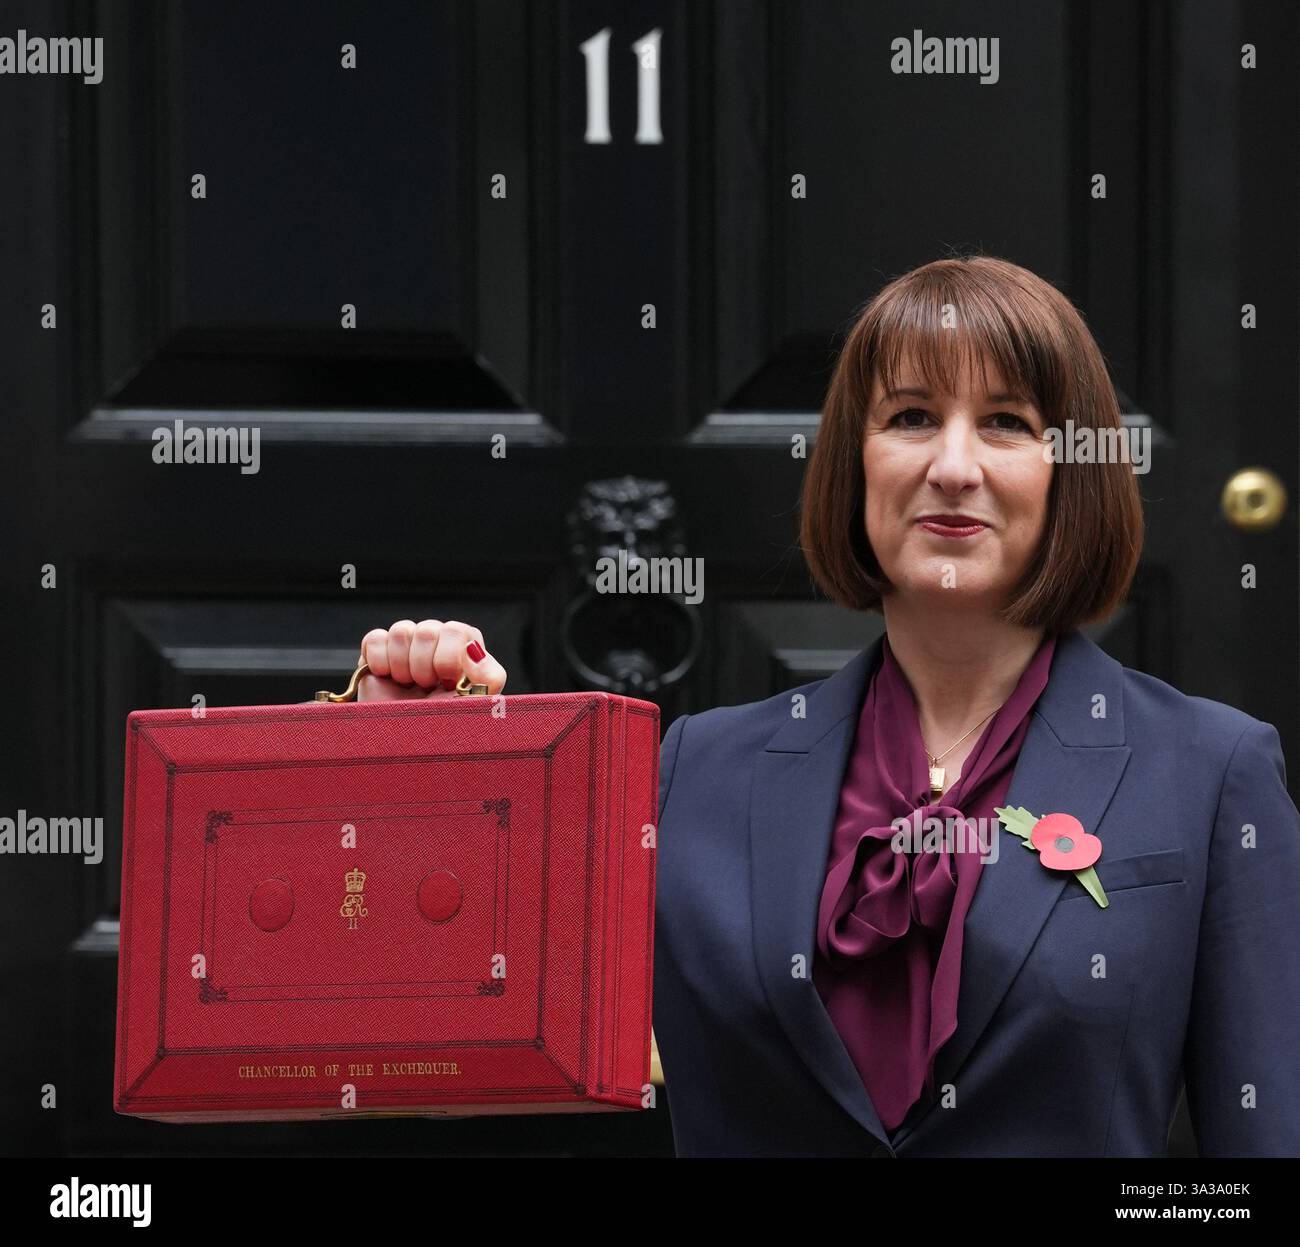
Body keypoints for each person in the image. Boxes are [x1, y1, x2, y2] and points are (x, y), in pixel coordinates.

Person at [353, 256, 1300, 1158]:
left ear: (1074, 471)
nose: (955, 466)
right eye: (913, 416)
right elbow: (440, 1020)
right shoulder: (695, 771)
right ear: (854, 463)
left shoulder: (1211, 772)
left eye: (1007, 422)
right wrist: (408, 777)